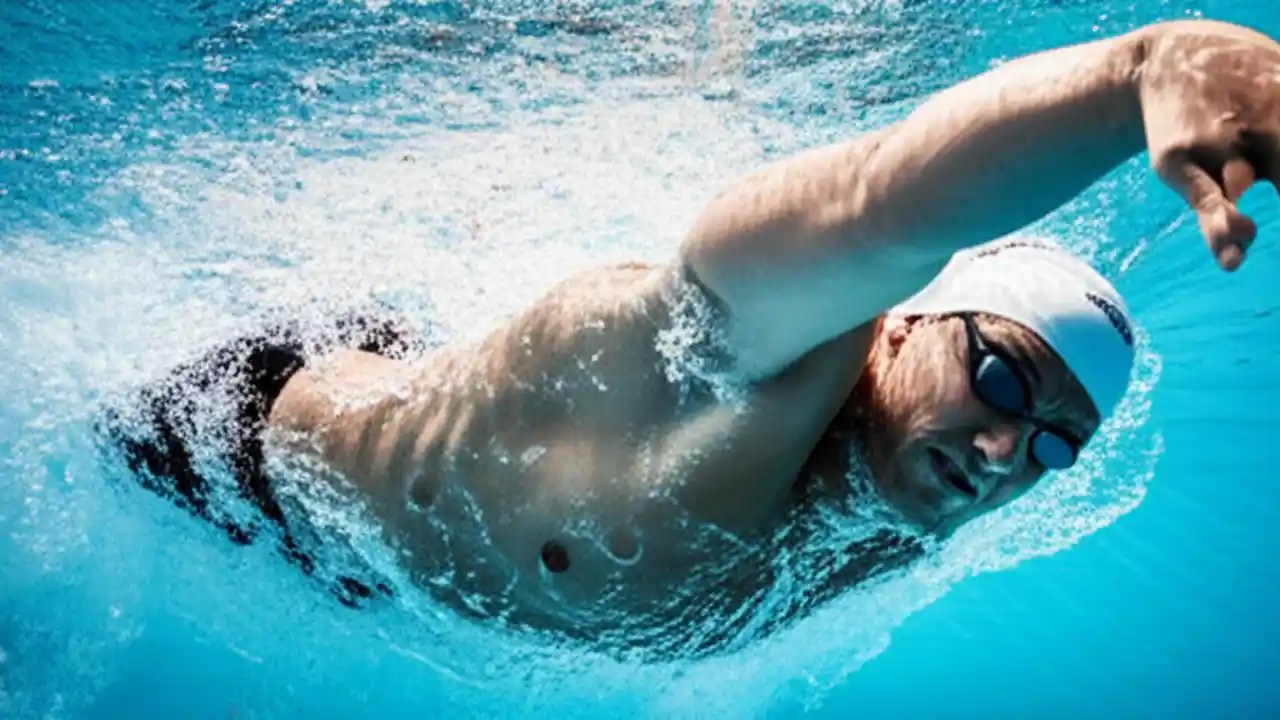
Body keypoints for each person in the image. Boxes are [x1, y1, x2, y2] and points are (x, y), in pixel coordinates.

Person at [103, 19, 1279, 655]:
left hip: (376, 566)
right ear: (903, 321)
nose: (1001, 454)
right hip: (235, 441)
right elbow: (885, 205)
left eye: (1052, 449)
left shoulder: (902, 507)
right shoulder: (745, 358)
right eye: (996, 377)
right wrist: (1140, 72)